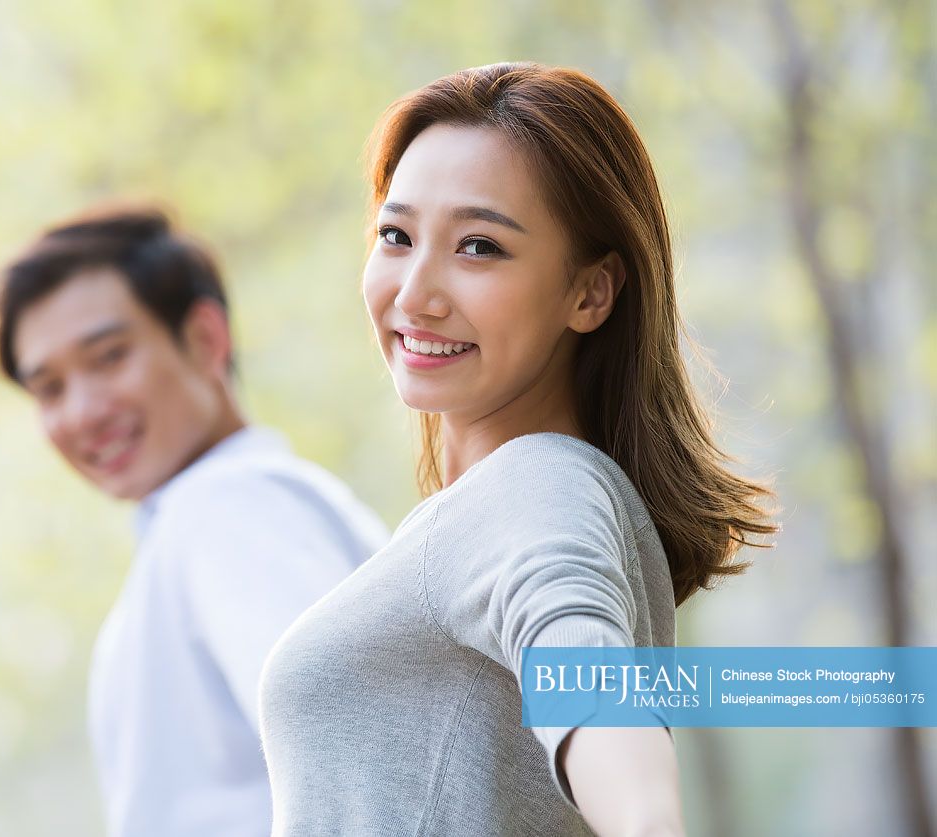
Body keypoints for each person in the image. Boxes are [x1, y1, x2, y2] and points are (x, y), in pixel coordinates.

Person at [258, 62, 776, 836]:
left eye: (477, 247)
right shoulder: (496, 507)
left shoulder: (538, 488)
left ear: (589, 292)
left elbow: (589, 682)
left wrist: (646, 819)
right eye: (395, 235)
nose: (414, 292)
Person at [0, 203, 389, 837]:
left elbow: (353, 761)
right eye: (50, 389)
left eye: (110, 357)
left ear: (205, 338)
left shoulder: (226, 509)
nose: (83, 412)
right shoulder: (261, 507)